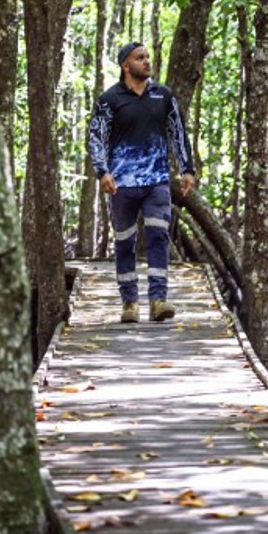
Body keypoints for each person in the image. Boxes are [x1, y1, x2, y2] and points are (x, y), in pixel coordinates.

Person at [87, 42, 197, 323]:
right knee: (125, 242)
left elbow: (178, 132)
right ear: (126, 65)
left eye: (148, 57)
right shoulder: (110, 99)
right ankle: (129, 303)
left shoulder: (164, 96)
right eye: (140, 58)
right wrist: (102, 172)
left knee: (158, 237)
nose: (147, 62)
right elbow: (96, 138)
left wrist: (187, 169)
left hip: (157, 181)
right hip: (121, 184)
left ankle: (158, 300)